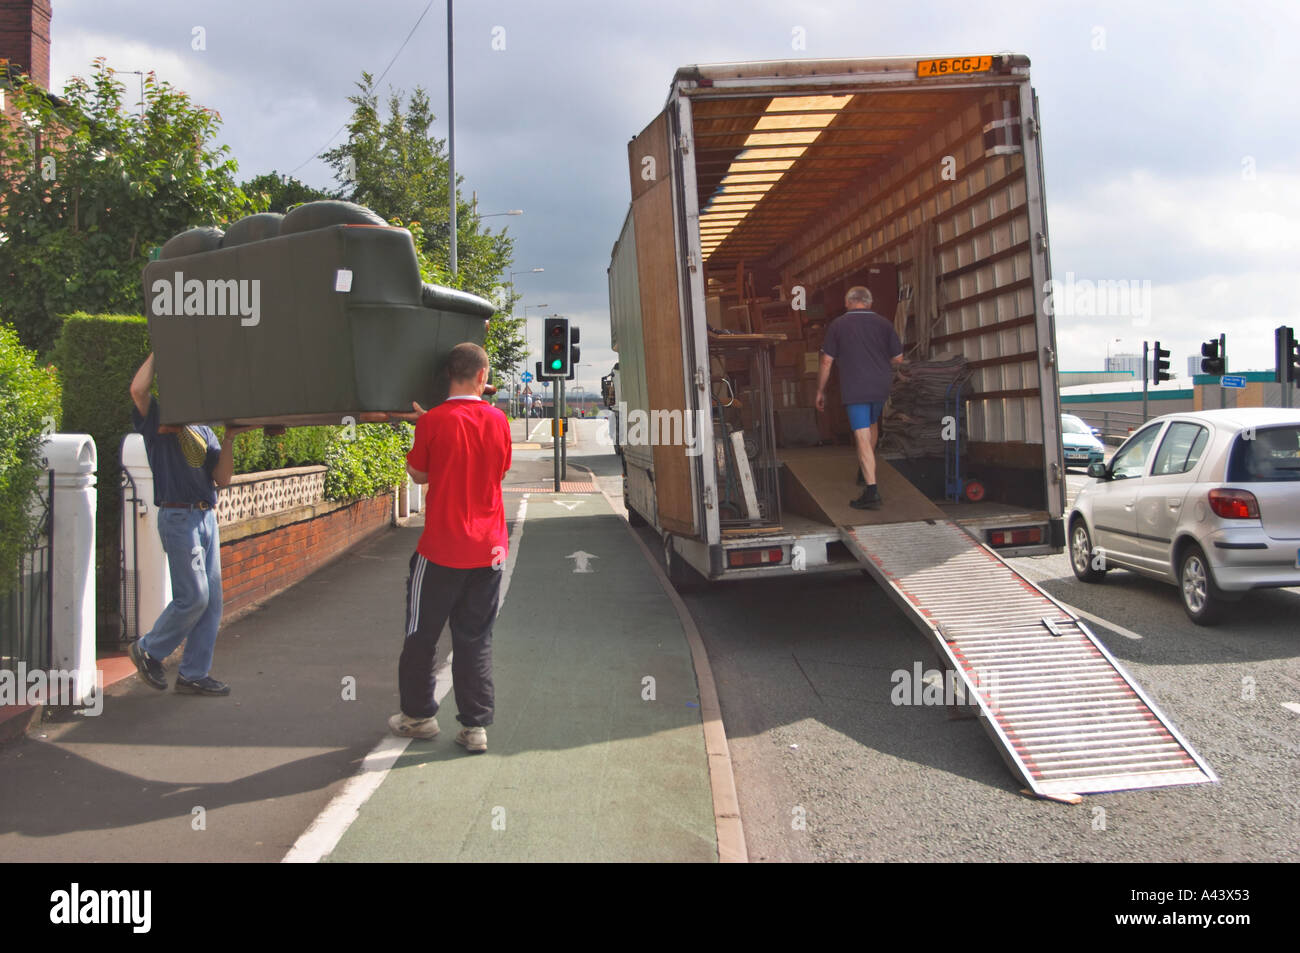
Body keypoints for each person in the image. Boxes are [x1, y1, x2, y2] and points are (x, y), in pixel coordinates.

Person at [389, 342, 512, 753]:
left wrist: (427, 428)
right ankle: (475, 727)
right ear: (482, 376)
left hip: (442, 548)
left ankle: (418, 717)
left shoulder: (433, 422)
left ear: (447, 375)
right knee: (475, 637)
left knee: (421, 634)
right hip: (490, 548)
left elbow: (420, 474)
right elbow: (498, 469)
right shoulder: (498, 421)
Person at [126, 353, 253, 695]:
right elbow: (138, 389)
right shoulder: (158, 418)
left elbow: (222, 479)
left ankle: (193, 674)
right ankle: (149, 649)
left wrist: (228, 439)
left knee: (211, 603)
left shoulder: (206, 432)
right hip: (178, 516)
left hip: (205, 515)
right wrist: (162, 347)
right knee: (194, 596)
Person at [815, 286, 904, 510]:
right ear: (869, 303)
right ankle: (866, 467)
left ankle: (871, 492)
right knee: (872, 424)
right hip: (880, 386)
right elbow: (898, 358)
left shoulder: (838, 325)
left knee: (861, 436)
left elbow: (826, 361)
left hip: (856, 388)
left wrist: (820, 390)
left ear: (847, 302)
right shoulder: (884, 323)